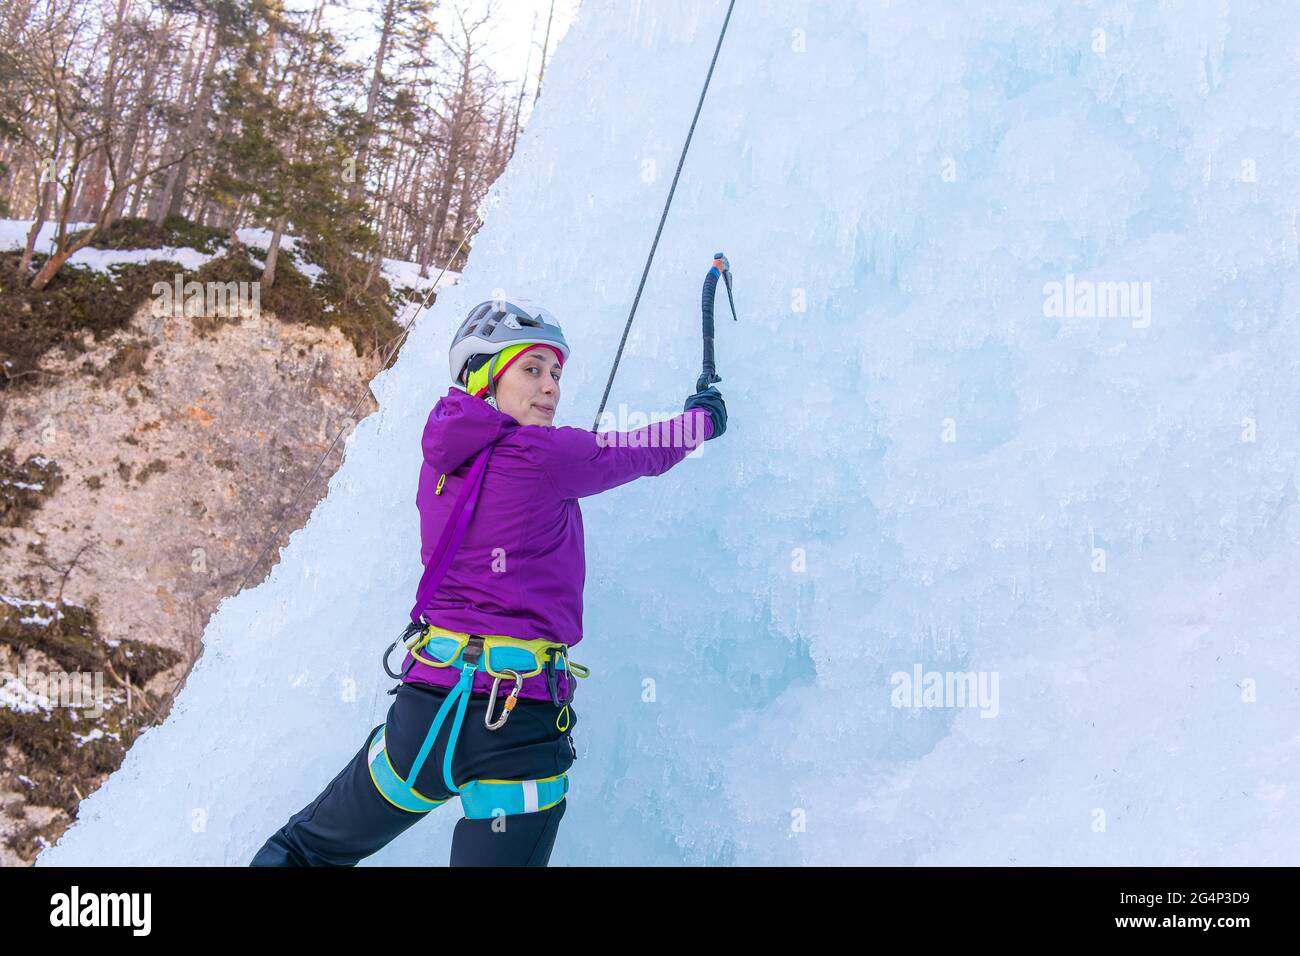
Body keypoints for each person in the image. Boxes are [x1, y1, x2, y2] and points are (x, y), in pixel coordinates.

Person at [250, 297, 727, 866]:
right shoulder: (545, 453)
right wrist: (704, 418)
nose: (549, 386)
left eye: (555, 373)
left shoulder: (440, 460)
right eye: (531, 369)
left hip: (425, 721)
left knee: (305, 851)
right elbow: (642, 451)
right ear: (484, 377)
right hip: (515, 726)